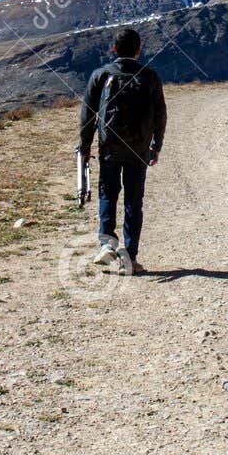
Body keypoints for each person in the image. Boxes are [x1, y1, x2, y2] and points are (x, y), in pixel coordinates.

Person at [78, 27, 166, 276]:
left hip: (109, 148)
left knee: (108, 193)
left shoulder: (101, 75)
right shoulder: (149, 76)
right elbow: (160, 114)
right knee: (133, 202)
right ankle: (130, 257)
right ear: (139, 50)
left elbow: (87, 115)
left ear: (114, 49)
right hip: (138, 149)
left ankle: (107, 243)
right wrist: (156, 146)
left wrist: (85, 147)